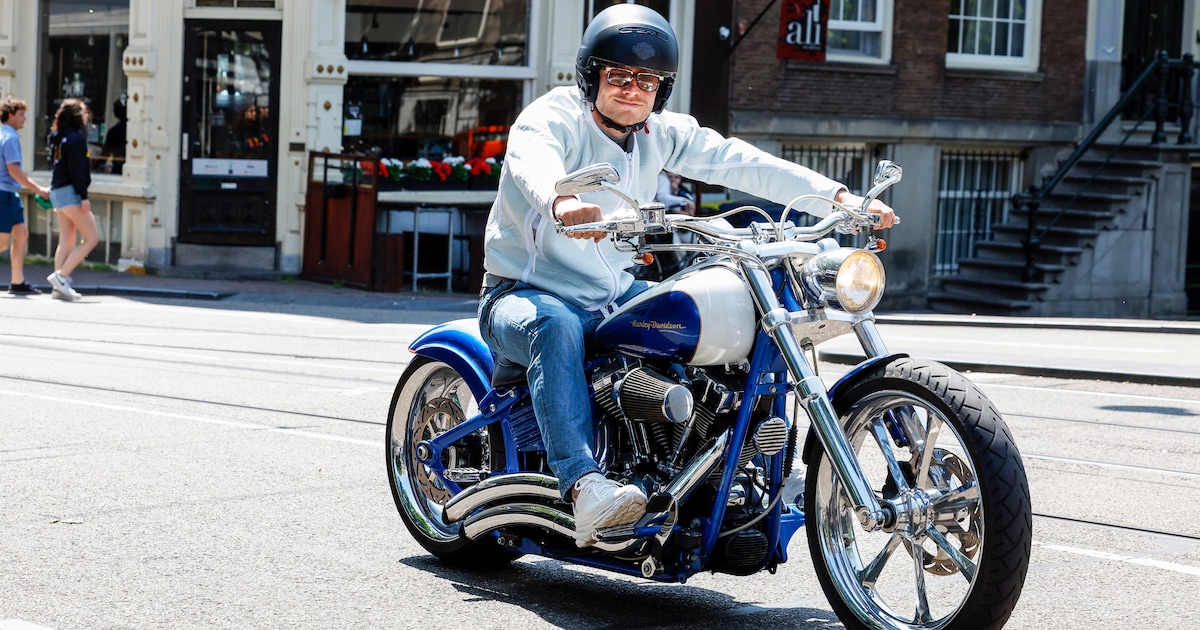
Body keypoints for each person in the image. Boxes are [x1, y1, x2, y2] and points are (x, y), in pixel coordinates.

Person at [477, 4, 896, 548]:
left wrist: (837, 197)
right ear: (591, 76)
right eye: (619, 75)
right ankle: (584, 487)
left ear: (662, 88)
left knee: (705, 321)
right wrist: (562, 201)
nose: (633, 89)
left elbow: (736, 160)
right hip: (523, 293)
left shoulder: (658, 132)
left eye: (648, 80)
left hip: (611, 292)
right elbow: (532, 156)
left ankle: (729, 461)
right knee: (554, 326)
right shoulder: (555, 115)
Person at [45, 98, 99, 301]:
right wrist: (83, 196)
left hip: (57, 191)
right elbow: (77, 170)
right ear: (77, 116)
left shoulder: (56, 137)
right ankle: (61, 276)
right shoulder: (76, 139)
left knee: (66, 240)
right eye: (85, 113)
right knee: (92, 238)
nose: (87, 117)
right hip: (70, 193)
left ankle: (59, 286)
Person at [0, 96, 51, 295]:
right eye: (21, 114)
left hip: (10, 195)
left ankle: (17, 281)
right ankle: (17, 281)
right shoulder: (10, 138)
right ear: (10, 115)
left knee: (21, 235)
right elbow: (14, 170)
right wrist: (38, 190)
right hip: (4, 195)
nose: (25, 118)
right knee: (2, 242)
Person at [99, 95, 127, 175]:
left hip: (119, 169)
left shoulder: (115, 131)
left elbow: (105, 154)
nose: (113, 110)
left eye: (115, 108)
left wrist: (95, 165)